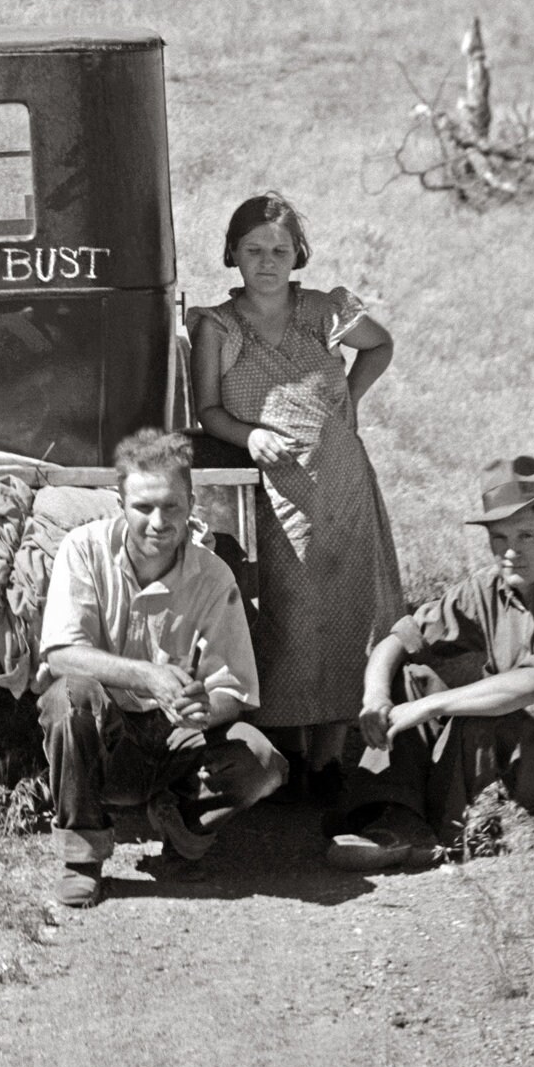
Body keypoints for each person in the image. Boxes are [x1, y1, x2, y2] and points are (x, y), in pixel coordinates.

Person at [326, 456, 534, 872]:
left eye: (526, 535)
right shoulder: (488, 588)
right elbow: (398, 640)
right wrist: (376, 697)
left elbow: (533, 685)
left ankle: (444, 835)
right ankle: (394, 817)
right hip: (521, 749)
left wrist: (429, 707)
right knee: (413, 677)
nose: (511, 552)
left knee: (484, 713)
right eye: (499, 538)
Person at [189, 194, 402, 789]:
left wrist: (349, 401)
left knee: (348, 611)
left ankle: (328, 760)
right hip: (278, 494)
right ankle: (285, 757)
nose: (267, 262)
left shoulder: (324, 310)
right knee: (285, 618)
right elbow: (208, 411)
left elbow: (380, 345)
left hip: (343, 483)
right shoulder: (218, 326)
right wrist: (250, 436)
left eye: (280, 251)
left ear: (297, 254)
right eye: (254, 250)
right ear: (232, 254)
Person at [38, 429, 285, 909]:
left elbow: (234, 690)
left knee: (261, 763)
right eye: (143, 507)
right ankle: (82, 858)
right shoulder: (83, 549)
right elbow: (60, 654)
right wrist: (148, 676)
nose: (158, 522)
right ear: (120, 504)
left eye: (172, 506)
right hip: (109, 739)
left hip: (177, 740)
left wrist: (203, 708)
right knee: (69, 696)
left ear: (192, 503)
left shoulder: (214, 576)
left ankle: (181, 835)